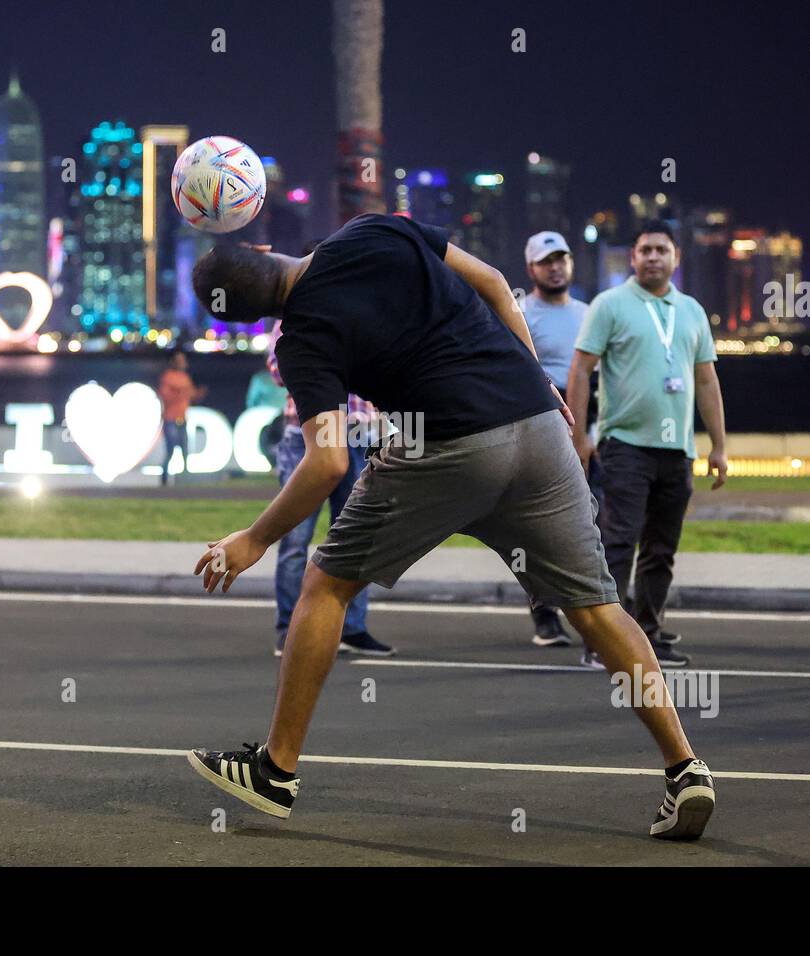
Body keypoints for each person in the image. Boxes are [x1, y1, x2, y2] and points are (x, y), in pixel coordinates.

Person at [185, 213, 715, 840]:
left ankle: (276, 770)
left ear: (251, 320)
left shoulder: (301, 339)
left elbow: (326, 462)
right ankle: (684, 768)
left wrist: (255, 539)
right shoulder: (372, 230)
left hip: (444, 449)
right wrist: (534, 378)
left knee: (325, 588)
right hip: (539, 426)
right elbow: (492, 281)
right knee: (598, 610)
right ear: (262, 246)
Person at [566, 220, 729, 668]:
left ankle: (648, 636)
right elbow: (580, 369)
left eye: (661, 249)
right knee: (619, 544)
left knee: (661, 550)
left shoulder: (691, 311)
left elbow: (706, 380)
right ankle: (603, 643)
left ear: (676, 257)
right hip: (625, 446)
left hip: (677, 451)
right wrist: (579, 437)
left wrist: (718, 446)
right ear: (633, 257)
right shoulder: (610, 305)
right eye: (645, 250)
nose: (653, 257)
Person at [267, 315, 394, 659]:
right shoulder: (296, 314)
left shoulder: (366, 310)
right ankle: (290, 629)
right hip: (308, 433)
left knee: (355, 537)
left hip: (359, 433)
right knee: (295, 538)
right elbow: (278, 369)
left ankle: (351, 628)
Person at [521, 230, 604, 669]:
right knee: (538, 528)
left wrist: (591, 431)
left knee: (590, 521)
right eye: (546, 261)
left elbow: (598, 374)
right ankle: (545, 613)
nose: (555, 267)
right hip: (542, 424)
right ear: (531, 269)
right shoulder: (520, 313)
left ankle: (590, 612)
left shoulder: (588, 314)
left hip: (586, 427)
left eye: (561, 259)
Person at [156, 351, 204, 485]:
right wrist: (180, 392)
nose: (182, 363)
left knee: (185, 449)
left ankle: (185, 479)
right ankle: (164, 480)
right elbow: (165, 395)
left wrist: (199, 393)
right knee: (170, 450)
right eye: (179, 360)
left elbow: (192, 395)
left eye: (183, 360)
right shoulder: (168, 377)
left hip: (182, 419)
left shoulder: (185, 378)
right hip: (170, 419)